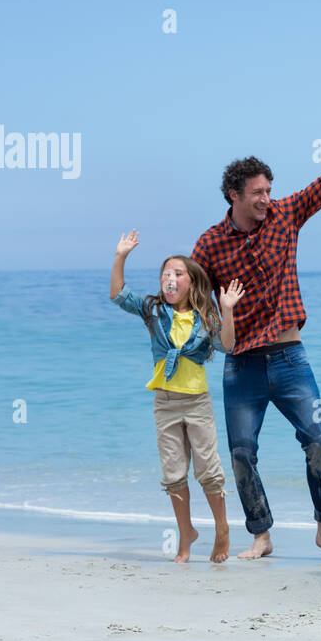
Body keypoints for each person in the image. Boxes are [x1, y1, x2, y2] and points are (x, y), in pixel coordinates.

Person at [191, 81, 321, 563]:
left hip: (292, 357)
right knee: (242, 451)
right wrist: (209, 331)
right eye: (256, 193)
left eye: (269, 190)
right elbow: (191, 297)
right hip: (242, 366)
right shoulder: (210, 244)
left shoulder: (286, 215)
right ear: (233, 194)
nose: (266, 199)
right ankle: (261, 535)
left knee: (317, 441)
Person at [110, 231, 239, 564]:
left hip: (197, 403)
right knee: (173, 474)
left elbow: (228, 346)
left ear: (192, 282)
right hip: (164, 403)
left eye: (177, 273)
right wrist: (121, 256)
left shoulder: (205, 317)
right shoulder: (153, 311)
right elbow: (118, 295)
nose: (169, 279)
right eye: (166, 274)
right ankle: (186, 534)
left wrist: (228, 311)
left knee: (209, 472)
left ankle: (222, 528)